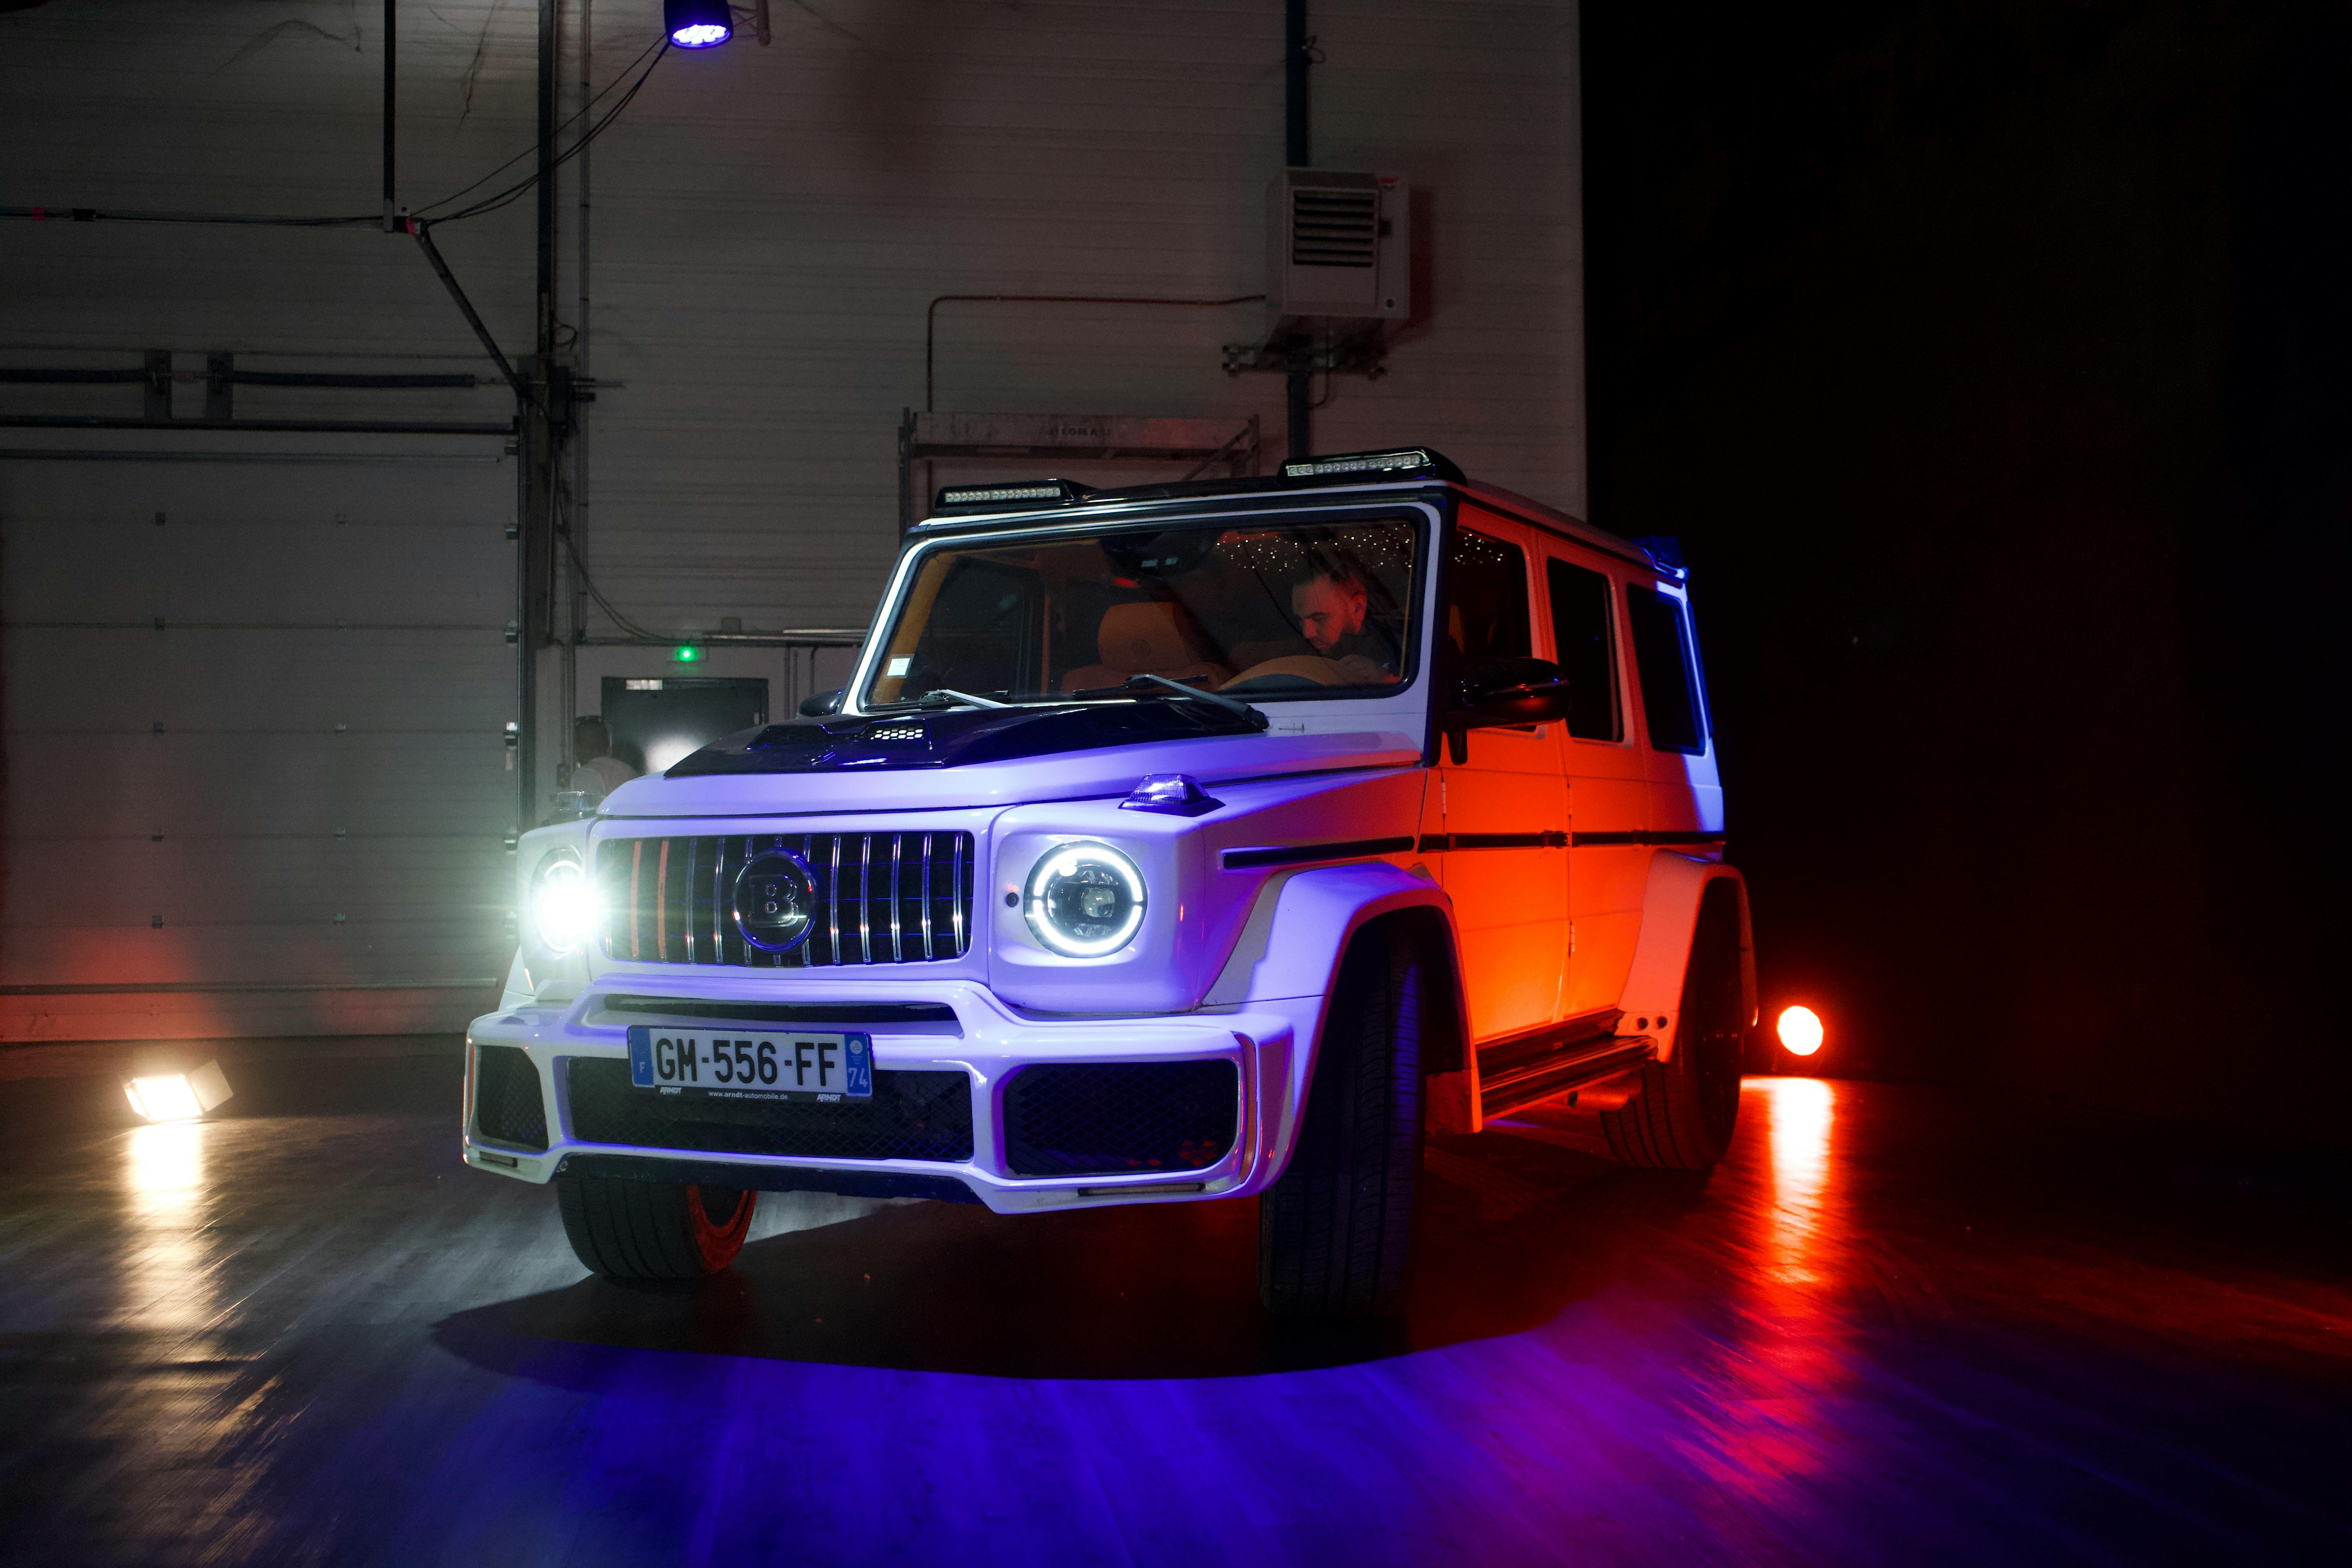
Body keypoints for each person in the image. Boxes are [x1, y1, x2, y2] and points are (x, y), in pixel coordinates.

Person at [1291, 561, 1401, 685]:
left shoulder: (1404, 652)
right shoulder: (1298, 657)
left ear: (1358, 607)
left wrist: (1389, 681)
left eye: (1319, 618)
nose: (1307, 633)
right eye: (1300, 620)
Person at [568, 715, 639, 803]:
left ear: (579, 747)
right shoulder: (629, 772)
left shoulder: (586, 775)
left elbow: (586, 814)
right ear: (608, 745)